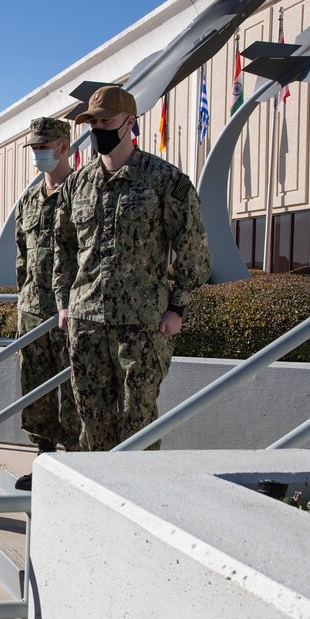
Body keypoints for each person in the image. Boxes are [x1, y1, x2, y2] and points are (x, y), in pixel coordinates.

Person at [54, 86, 212, 451]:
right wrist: (64, 301)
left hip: (141, 325)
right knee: (91, 421)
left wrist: (178, 306)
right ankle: (96, 504)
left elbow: (194, 250)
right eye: (92, 123)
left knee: (137, 424)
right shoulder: (77, 184)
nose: (98, 130)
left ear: (129, 123)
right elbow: (62, 247)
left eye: (106, 121)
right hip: (86, 322)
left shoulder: (166, 181)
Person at [13, 117, 81, 491]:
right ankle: (43, 458)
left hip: (71, 311)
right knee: (35, 389)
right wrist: (24, 297)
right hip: (33, 311)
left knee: (73, 390)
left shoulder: (83, 190)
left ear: (63, 147)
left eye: (45, 147)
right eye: (35, 148)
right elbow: (22, 256)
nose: (39, 154)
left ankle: (71, 463)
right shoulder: (28, 200)